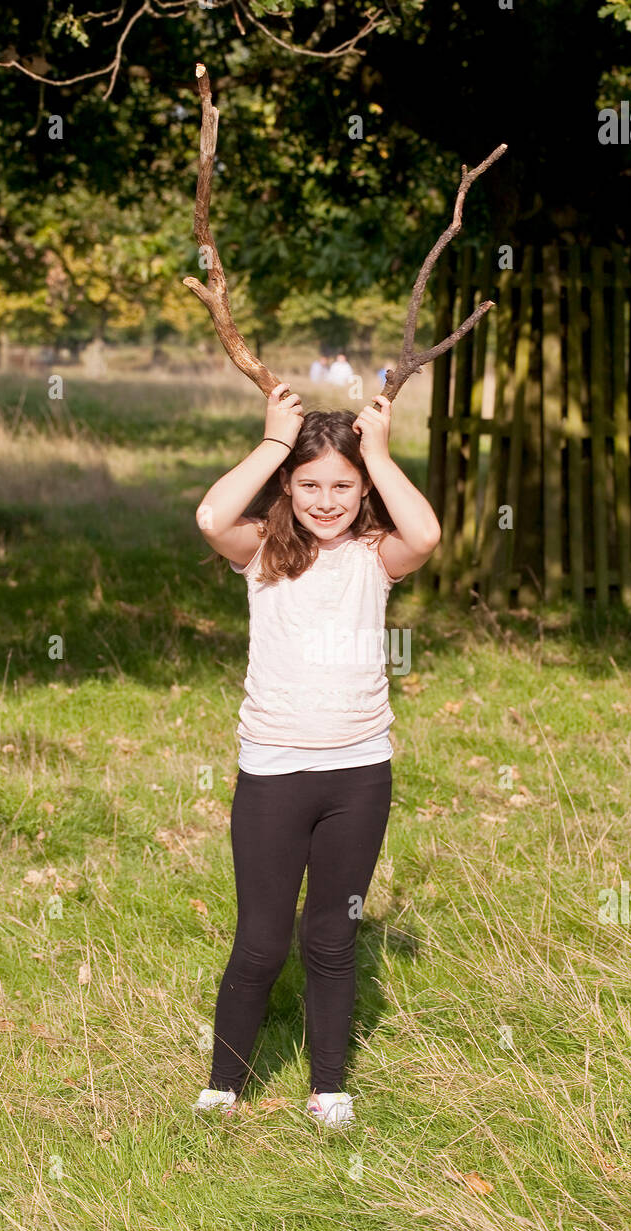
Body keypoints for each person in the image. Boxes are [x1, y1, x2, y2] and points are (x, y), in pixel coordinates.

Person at [193, 383, 441, 1129]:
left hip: (357, 775)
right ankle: (224, 1086)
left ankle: (328, 1086)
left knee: (331, 935)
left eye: (342, 484)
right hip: (273, 774)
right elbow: (210, 516)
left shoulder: (376, 555)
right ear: (286, 486)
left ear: (364, 488)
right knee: (263, 942)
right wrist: (274, 439)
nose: (326, 499)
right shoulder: (263, 551)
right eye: (309, 484)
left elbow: (424, 535)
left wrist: (383, 452)